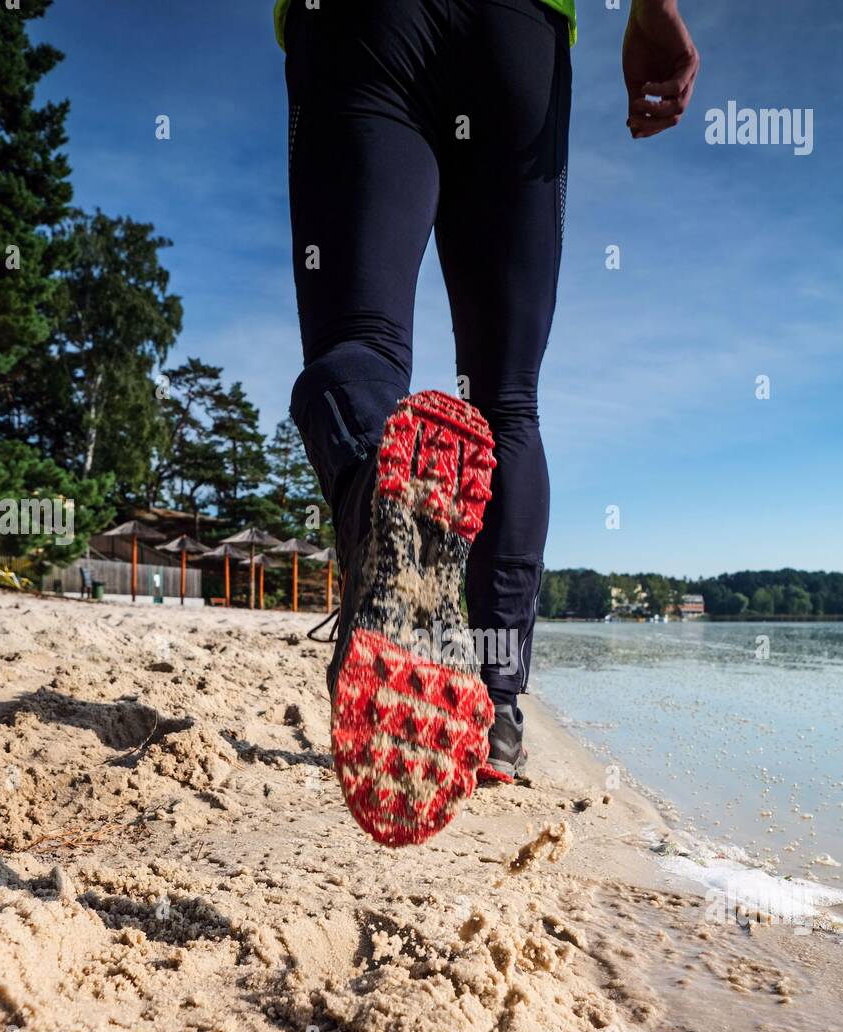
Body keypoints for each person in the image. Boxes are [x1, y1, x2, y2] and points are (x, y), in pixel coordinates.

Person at [277, 0, 698, 846]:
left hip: (363, 29)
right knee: (506, 397)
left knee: (357, 343)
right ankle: (499, 712)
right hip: (519, 34)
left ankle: (372, 490)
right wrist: (653, 9)